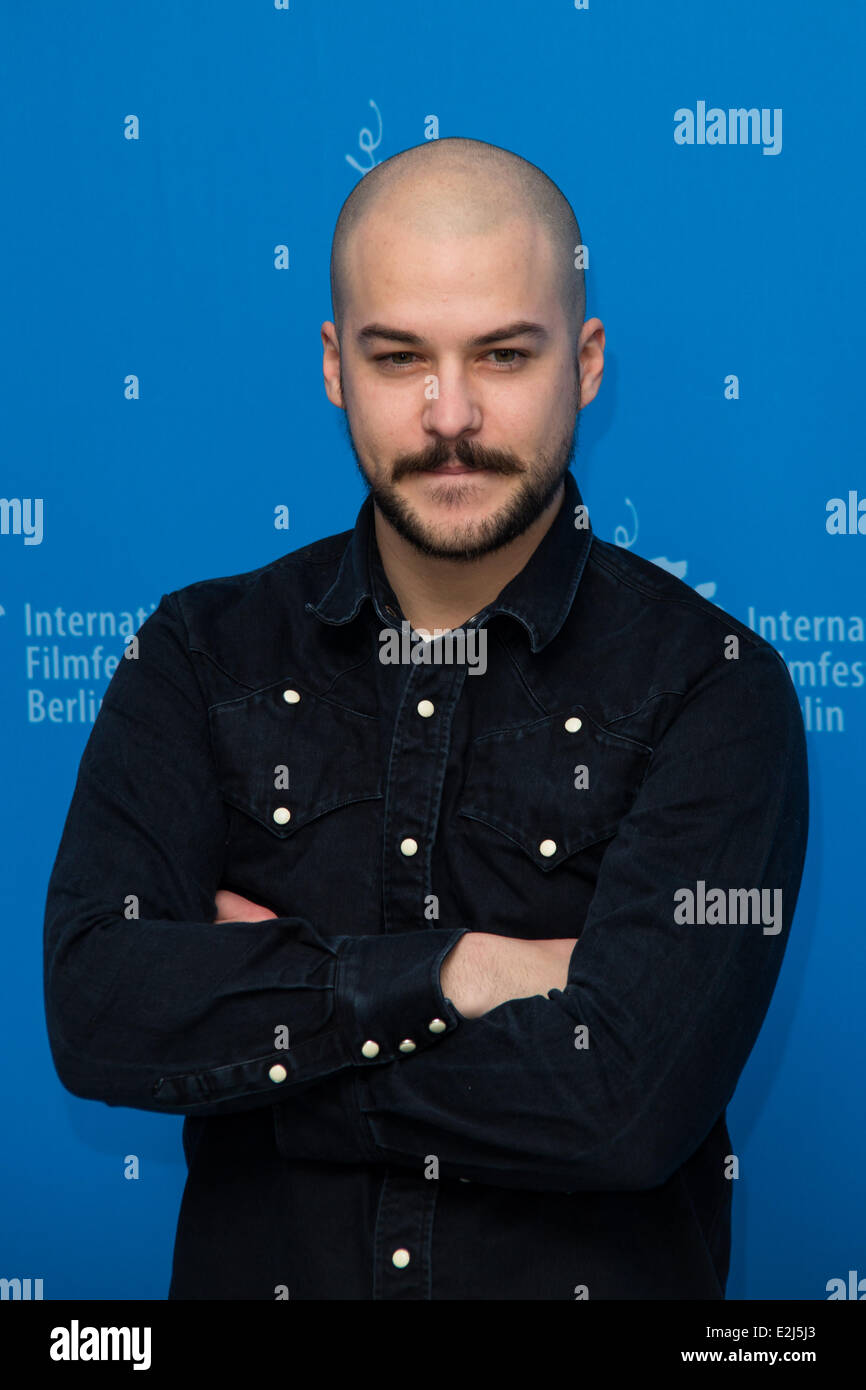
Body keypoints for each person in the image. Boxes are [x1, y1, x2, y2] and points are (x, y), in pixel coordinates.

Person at [43, 136, 809, 1300]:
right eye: (399, 356)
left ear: (586, 362)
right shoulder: (198, 656)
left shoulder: (711, 685)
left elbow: (622, 1104)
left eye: (503, 354)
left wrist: (257, 1036)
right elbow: (100, 1008)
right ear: (333, 365)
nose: (450, 415)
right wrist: (465, 972)